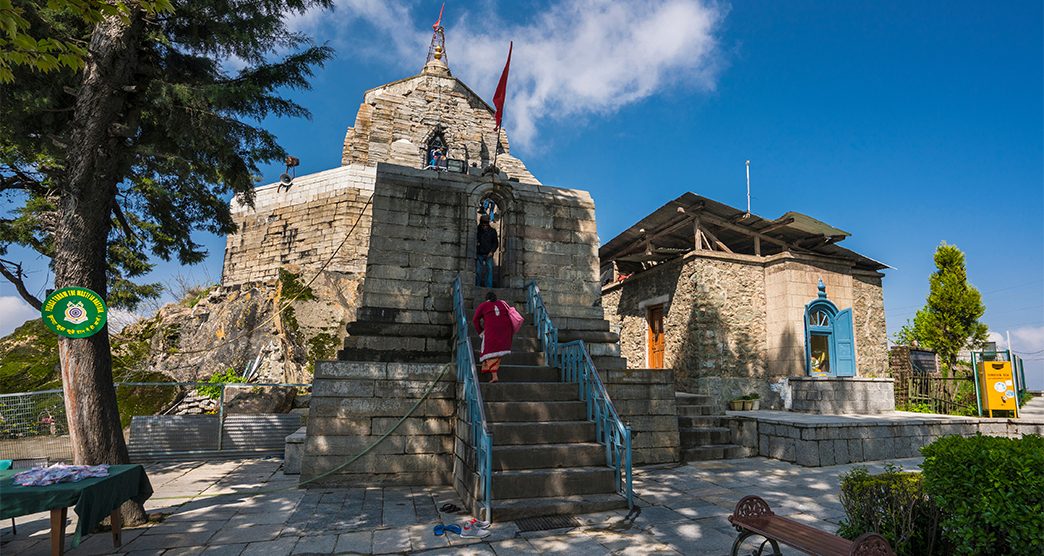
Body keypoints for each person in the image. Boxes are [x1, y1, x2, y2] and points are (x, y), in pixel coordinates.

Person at [473, 291, 514, 383]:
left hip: (492, 331)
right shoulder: (502, 303)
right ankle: (486, 368)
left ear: (486, 298)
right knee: (496, 350)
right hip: (506, 331)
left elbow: (475, 320)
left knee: (489, 351)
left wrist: (480, 332)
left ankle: (494, 376)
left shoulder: (483, 306)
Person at [476, 214, 498, 288]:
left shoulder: (492, 231)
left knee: (489, 270)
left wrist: (492, 252)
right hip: (479, 253)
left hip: (489, 254)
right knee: (478, 271)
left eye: (485, 224)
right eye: (483, 224)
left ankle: (488, 287)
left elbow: (495, 243)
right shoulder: (478, 230)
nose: (484, 226)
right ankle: (477, 285)